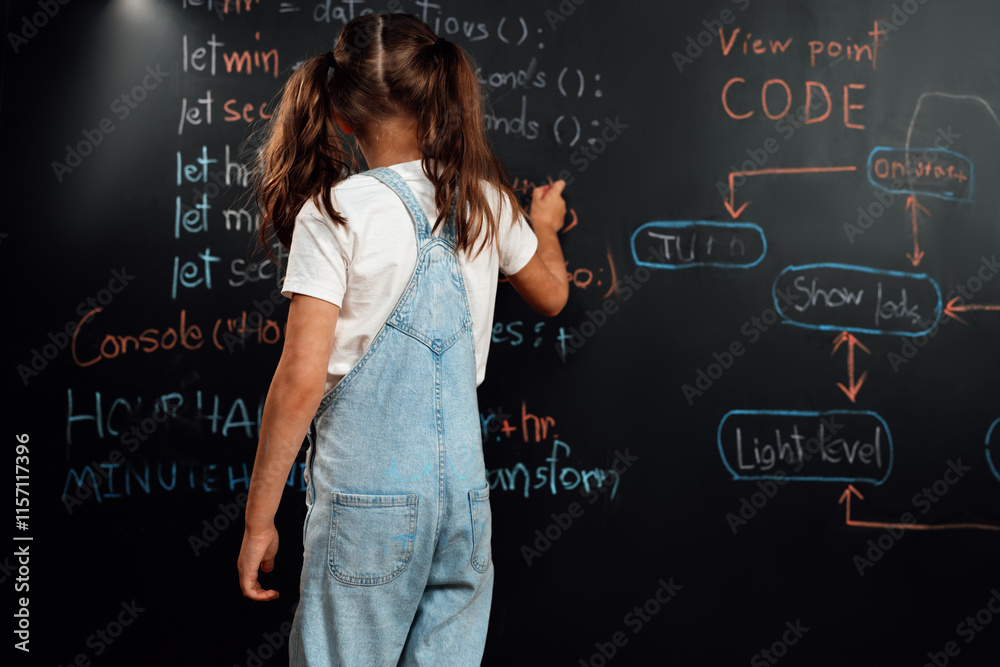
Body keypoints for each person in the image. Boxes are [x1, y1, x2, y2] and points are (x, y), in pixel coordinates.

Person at [236, 12, 569, 666]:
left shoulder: (338, 212)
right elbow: (553, 294)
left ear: (341, 115)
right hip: (465, 506)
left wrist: (257, 521)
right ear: (435, 97)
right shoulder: (484, 198)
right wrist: (544, 225)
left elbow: (301, 379)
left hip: (368, 509)